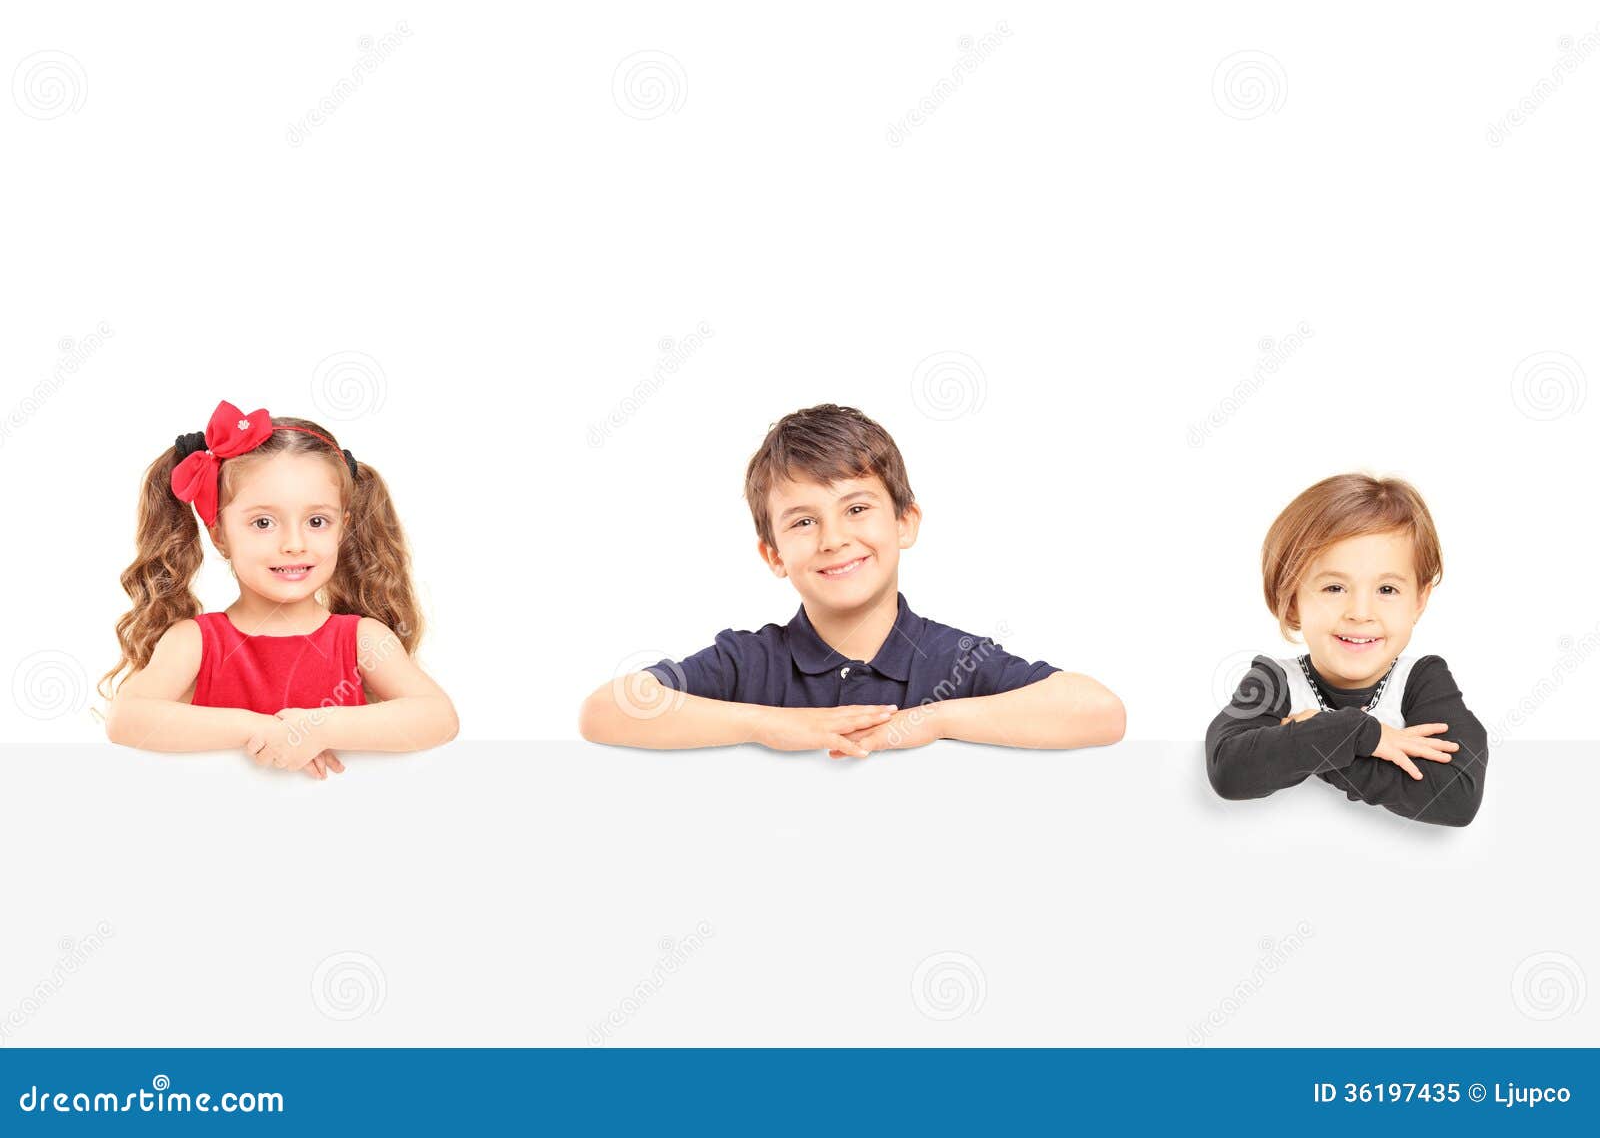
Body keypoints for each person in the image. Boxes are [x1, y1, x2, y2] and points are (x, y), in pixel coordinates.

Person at [579, 403, 1124, 757]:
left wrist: (934, 720)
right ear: (773, 553)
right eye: (804, 521)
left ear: (905, 522)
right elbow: (606, 709)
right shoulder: (750, 663)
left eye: (857, 509)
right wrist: (766, 725)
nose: (834, 538)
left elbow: (1100, 710)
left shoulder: (952, 659)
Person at [102, 399, 457, 777]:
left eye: (317, 521)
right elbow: (126, 719)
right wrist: (260, 730)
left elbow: (439, 717)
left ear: (343, 528)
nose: (294, 543)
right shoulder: (196, 642)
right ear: (220, 533)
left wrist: (316, 729)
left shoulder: (360, 640)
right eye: (263, 523)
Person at [1206, 473, 1485, 825]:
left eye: (1387, 590)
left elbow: (1456, 798)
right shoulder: (1276, 680)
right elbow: (1228, 770)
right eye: (1334, 588)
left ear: (1418, 600)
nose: (1360, 613)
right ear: (1292, 603)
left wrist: (1313, 738)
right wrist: (1359, 735)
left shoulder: (1422, 681)